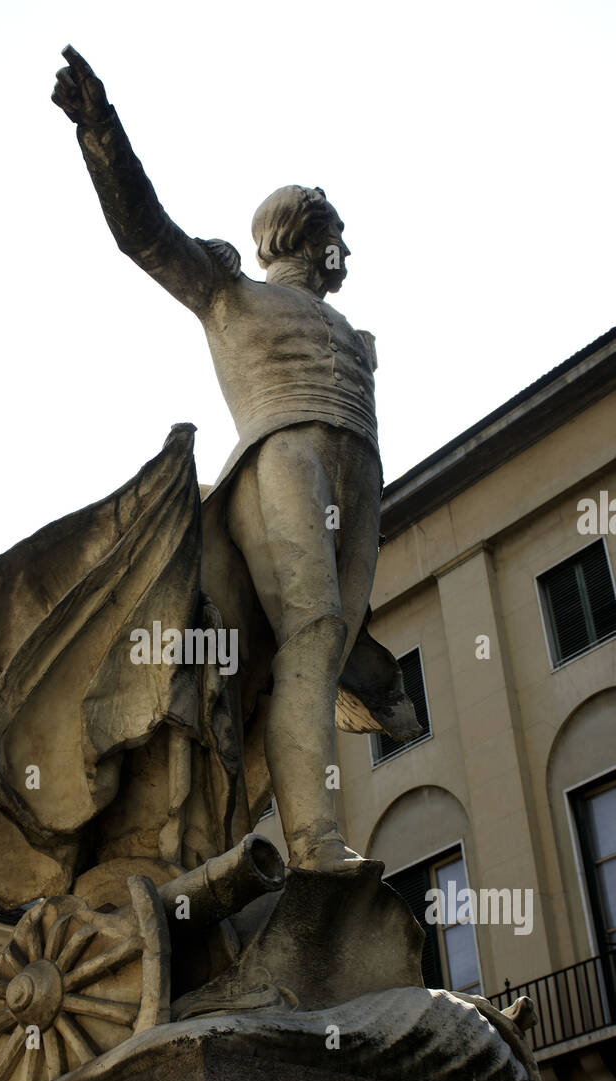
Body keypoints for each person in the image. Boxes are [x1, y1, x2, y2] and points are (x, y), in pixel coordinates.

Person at [53, 48, 404, 872]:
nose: (346, 251)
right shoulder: (229, 290)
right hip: (280, 456)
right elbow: (144, 234)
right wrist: (102, 133)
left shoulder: (355, 336)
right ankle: (315, 844)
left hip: (357, 477)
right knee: (312, 637)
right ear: (312, 238)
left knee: (327, 647)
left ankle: (302, 833)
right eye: (338, 236)